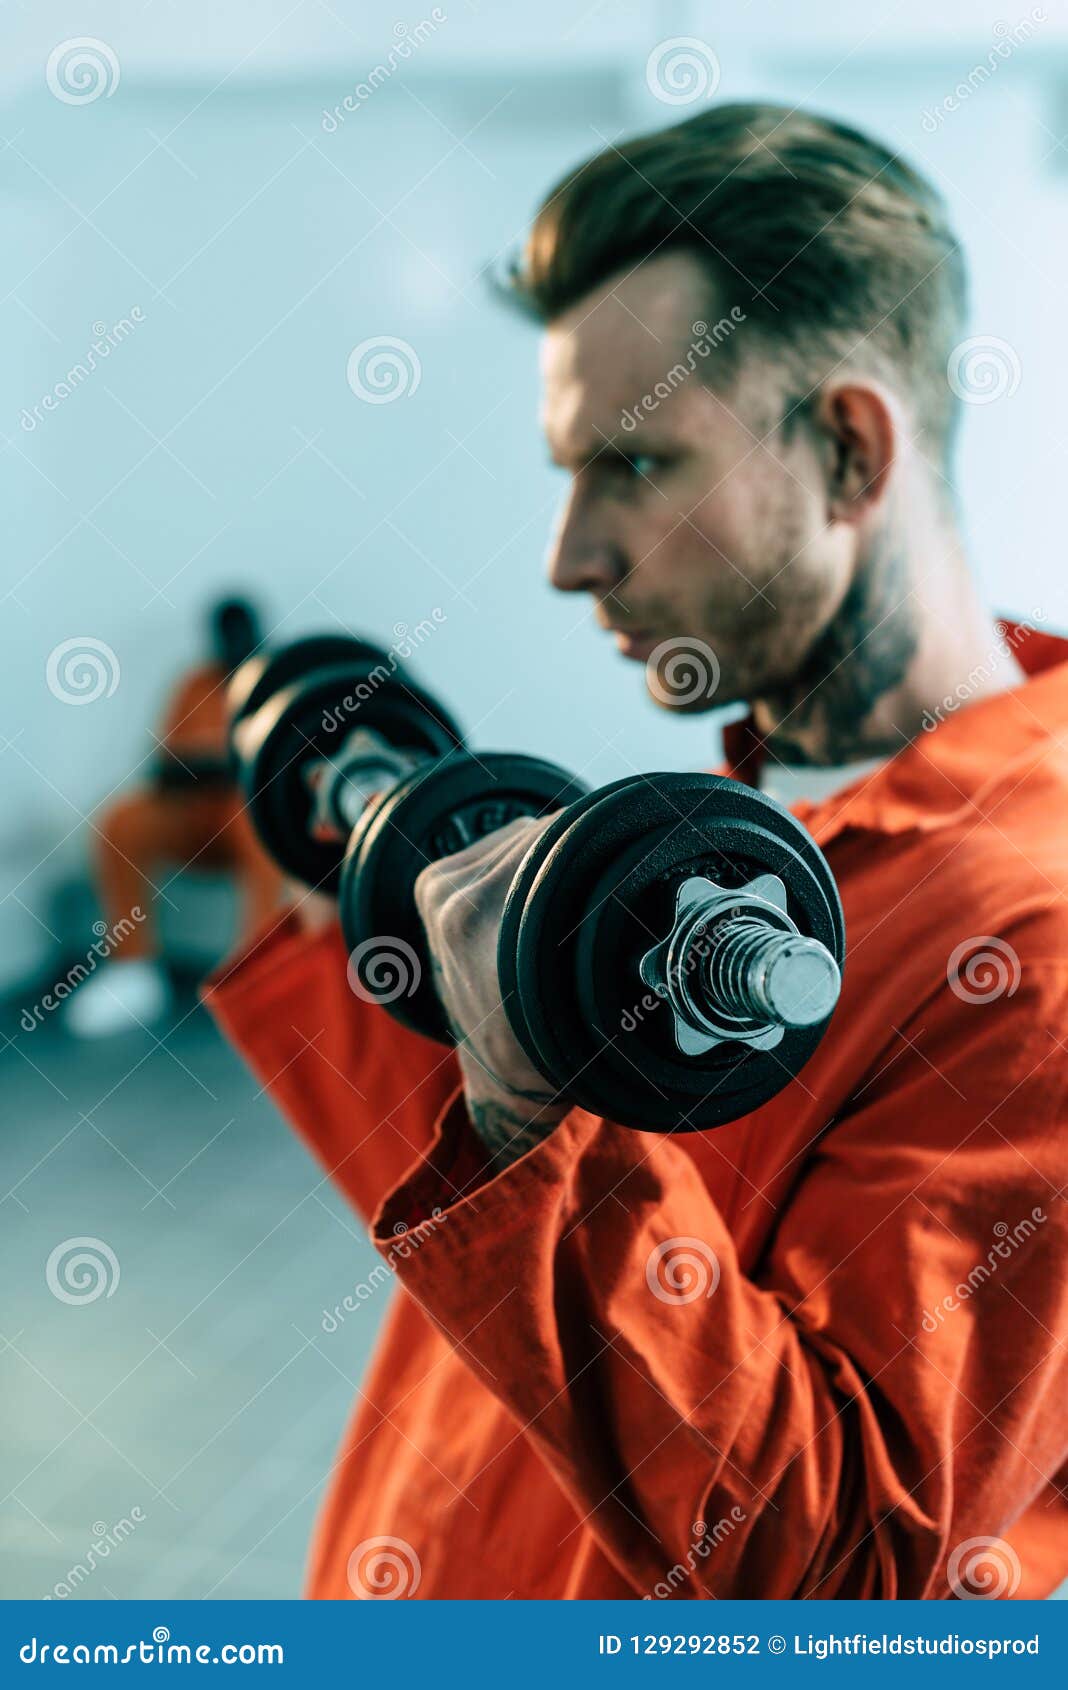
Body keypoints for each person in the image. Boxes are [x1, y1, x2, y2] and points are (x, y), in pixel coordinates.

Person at [204, 105, 1067, 1599]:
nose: (570, 556)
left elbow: (844, 1575)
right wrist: (389, 889)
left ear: (849, 449)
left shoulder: (1033, 941)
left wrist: (539, 1116)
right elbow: (496, 1257)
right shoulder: (749, 841)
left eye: (639, 464)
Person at [67, 596, 285, 1038]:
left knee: (257, 822)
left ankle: (257, 970)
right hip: (193, 816)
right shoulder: (194, 685)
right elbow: (167, 759)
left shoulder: (279, 680)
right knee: (123, 819)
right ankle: (132, 968)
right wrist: (207, 763)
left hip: (246, 817)